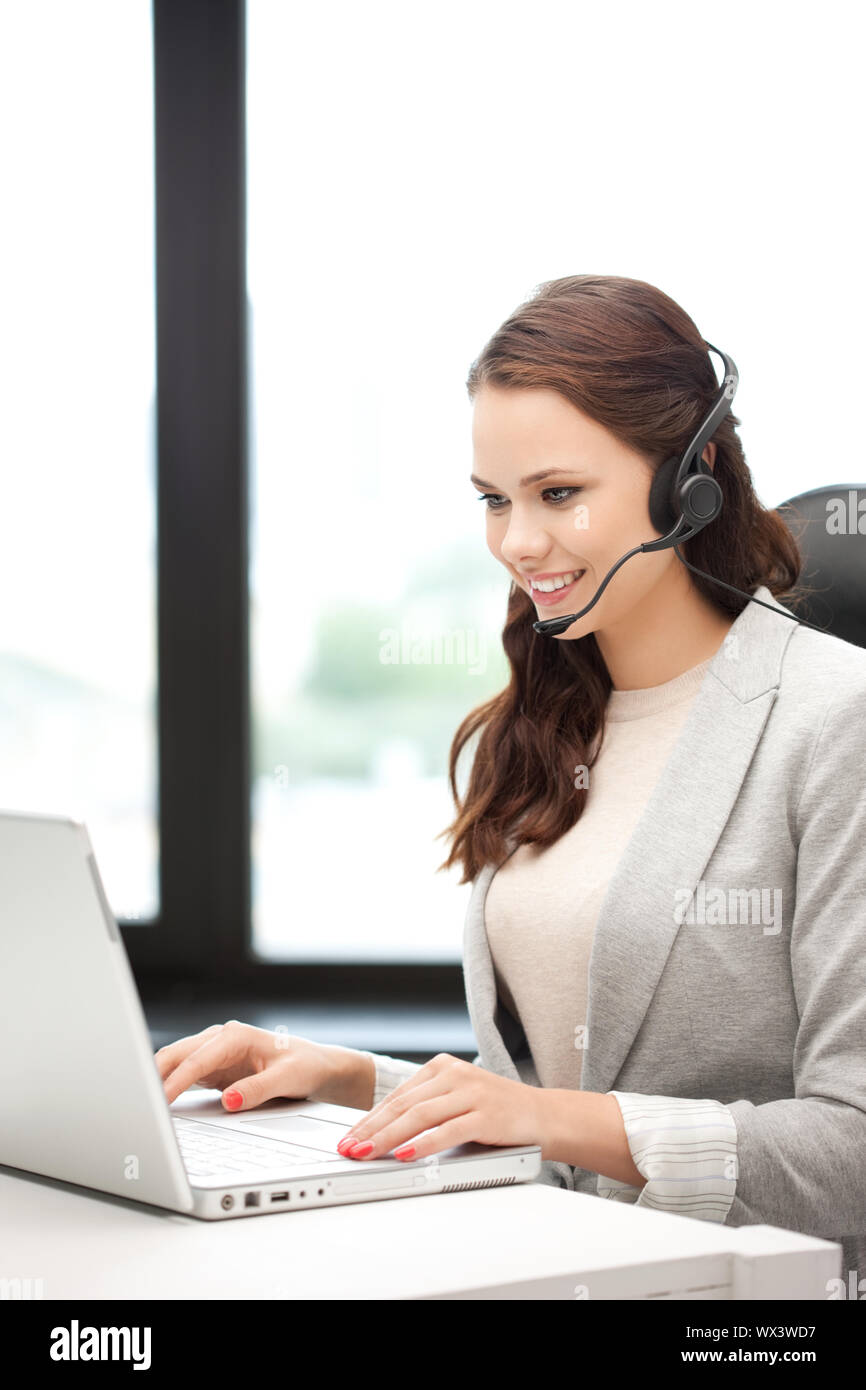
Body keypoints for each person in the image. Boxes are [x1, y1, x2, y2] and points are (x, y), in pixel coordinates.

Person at [156, 274, 866, 1277]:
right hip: (555, 1266)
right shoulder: (543, 718)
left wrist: (539, 1114)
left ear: (689, 477)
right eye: (494, 500)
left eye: (558, 494)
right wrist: (351, 1081)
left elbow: (851, 1151)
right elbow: (550, 1110)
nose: (517, 542)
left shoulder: (835, 719)